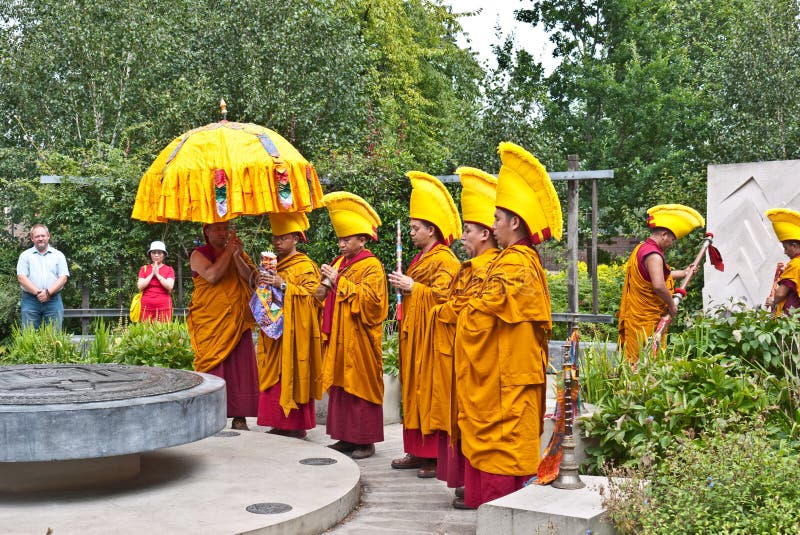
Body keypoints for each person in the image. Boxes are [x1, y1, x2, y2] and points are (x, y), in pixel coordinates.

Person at [453, 141, 562, 509]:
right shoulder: (511, 261)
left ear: (515, 222)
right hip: (501, 373)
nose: (493, 225)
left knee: (506, 445)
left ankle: (506, 512)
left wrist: (463, 311)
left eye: (497, 219)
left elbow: (478, 315)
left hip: (508, 377)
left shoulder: (517, 264)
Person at [430, 167, 500, 504]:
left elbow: (469, 308)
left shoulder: (490, 268)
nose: (463, 237)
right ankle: (468, 482)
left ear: (486, 233)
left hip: (480, 357)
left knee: (476, 419)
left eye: (468, 231)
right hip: (460, 353)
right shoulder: (471, 266)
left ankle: (479, 486)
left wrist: (441, 310)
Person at [388, 171, 461, 478]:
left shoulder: (445, 260)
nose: (413, 233)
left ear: (432, 229)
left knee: (432, 394)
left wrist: (413, 288)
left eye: (417, 228)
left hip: (434, 341)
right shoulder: (421, 258)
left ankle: (433, 456)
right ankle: (417, 451)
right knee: (414, 393)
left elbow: (447, 298)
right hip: (415, 337)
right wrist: (406, 286)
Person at [317, 192, 388, 460]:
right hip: (339, 336)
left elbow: (374, 304)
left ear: (362, 239)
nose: (342, 243)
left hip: (360, 338)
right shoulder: (338, 263)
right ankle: (345, 438)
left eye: (347, 239)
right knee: (341, 387)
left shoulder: (371, 266)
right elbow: (322, 296)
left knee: (359, 386)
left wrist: (339, 281)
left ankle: (364, 441)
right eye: (340, 239)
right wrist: (324, 283)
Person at [256, 212, 323, 439]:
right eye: (275, 238)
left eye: (283, 237)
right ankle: (277, 423)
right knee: (273, 377)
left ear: (296, 238)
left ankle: (294, 425)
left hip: (295, 335)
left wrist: (283, 284)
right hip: (274, 332)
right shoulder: (273, 264)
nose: (277, 242)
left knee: (292, 373)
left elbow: (314, 297)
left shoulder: (304, 265)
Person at [188, 221, 260, 431]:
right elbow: (212, 276)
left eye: (225, 228)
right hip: (211, 321)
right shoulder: (198, 254)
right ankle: (211, 415)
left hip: (236, 320)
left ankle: (240, 417)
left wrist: (237, 256)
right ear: (207, 231)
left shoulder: (236, 252)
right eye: (217, 229)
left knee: (240, 368)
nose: (222, 233)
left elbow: (251, 280)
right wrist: (229, 251)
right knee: (213, 367)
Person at [617, 204, 704, 363]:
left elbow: (659, 276)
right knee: (644, 361)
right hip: (645, 321)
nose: (671, 243)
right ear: (664, 235)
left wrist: (684, 273)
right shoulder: (653, 255)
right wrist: (671, 305)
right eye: (672, 239)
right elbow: (658, 285)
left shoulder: (641, 248)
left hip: (638, 317)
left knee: (637, 361)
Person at [16, 223, 69, 330]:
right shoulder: (25, 256)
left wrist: (48, 292)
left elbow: (63, 277)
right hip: (30, 300)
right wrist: (39, 293)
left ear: (48, 236)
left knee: (54, 337)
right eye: (37, 236)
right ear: (32, 238)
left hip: (53, 300)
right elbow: (21, 277)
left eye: (43, 236)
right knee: (29, 336)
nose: (40, 238)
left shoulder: (58, 255)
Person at [765, 208, 800, 316]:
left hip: (790, 320)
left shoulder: (795, 264)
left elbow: (780, 293)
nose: (785, 252)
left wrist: (772, 301)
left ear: (794, 246)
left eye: (786, 248)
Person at [136, 240, 175, 322]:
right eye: (154, 252)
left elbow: (169, 286)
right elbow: (140, 287)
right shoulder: (144, 269)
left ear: (164, 255)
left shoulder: (169, 269)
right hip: (146, 307)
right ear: (150, 254)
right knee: (146, 332)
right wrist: (152, 274)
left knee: (164, 332)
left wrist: (157, 274)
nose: (156, 255)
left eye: (159, 252)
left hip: (164, 307)